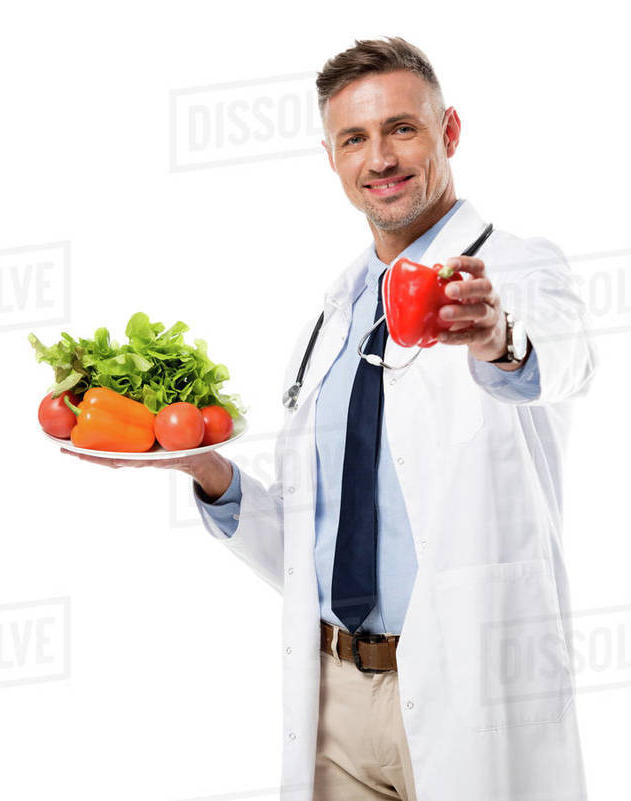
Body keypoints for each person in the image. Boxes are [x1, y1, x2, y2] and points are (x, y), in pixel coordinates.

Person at [68, 36, 596, 801]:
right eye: (355, 138)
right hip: (335, 700)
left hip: (472, 683)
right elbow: (312, 539)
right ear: (332, 158)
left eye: (402, 129)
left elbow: (564, 357)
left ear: (448, 134)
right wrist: (205, 470)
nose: (379, 157)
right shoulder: (337, 315)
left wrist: (497, 336)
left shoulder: (516, 271)